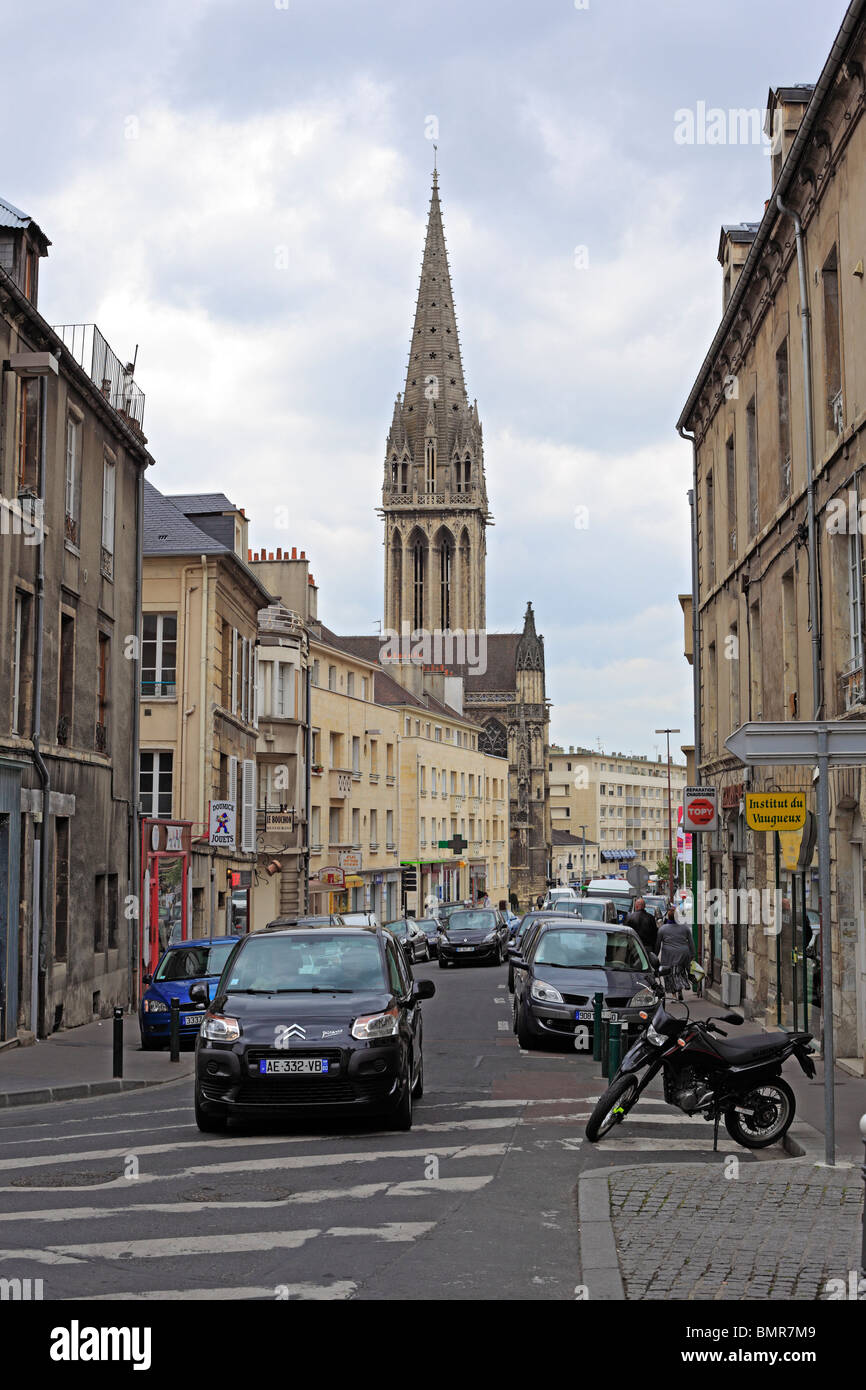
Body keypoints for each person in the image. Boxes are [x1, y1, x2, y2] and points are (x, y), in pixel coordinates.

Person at [656, 906, 695, 1001]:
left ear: (668, 917)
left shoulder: (662, 929)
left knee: (669, 975)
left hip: (669, 954)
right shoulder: (685, 928)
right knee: (680, 972)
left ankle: (674, 995)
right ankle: (680, 990)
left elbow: (658, 943)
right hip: (683, 953)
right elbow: (691, 942)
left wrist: (655, 955)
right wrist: (692, 954)